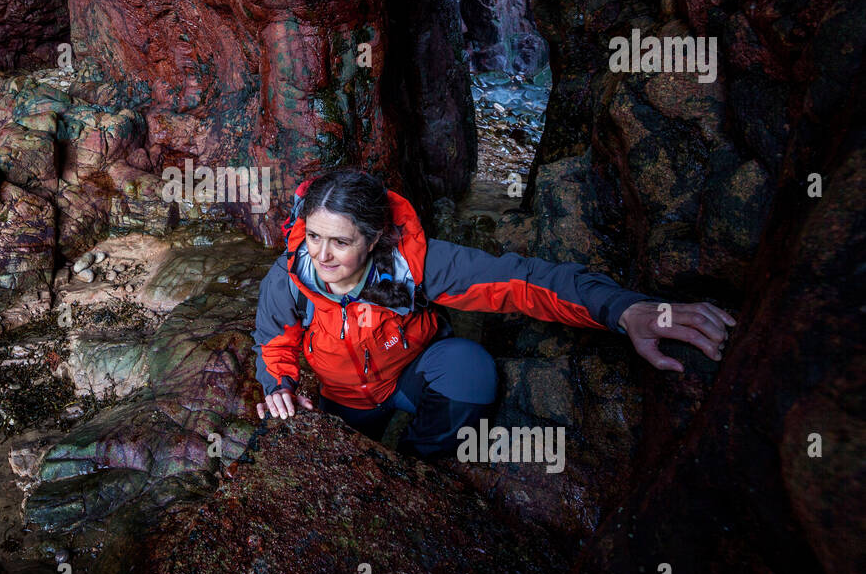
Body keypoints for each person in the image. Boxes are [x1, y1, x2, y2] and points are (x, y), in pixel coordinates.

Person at [250, 168, 736, 459]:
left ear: (374, 239)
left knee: (471, 369)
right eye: (314, 236)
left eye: (341, 241)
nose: (323, 255)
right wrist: (280, 389)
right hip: (345, 399)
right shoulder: (290, 278)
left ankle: (419, 461)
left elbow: (519, 282)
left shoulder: (412, 267)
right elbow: (274, 345)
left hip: (410, 375)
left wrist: (624, 309)